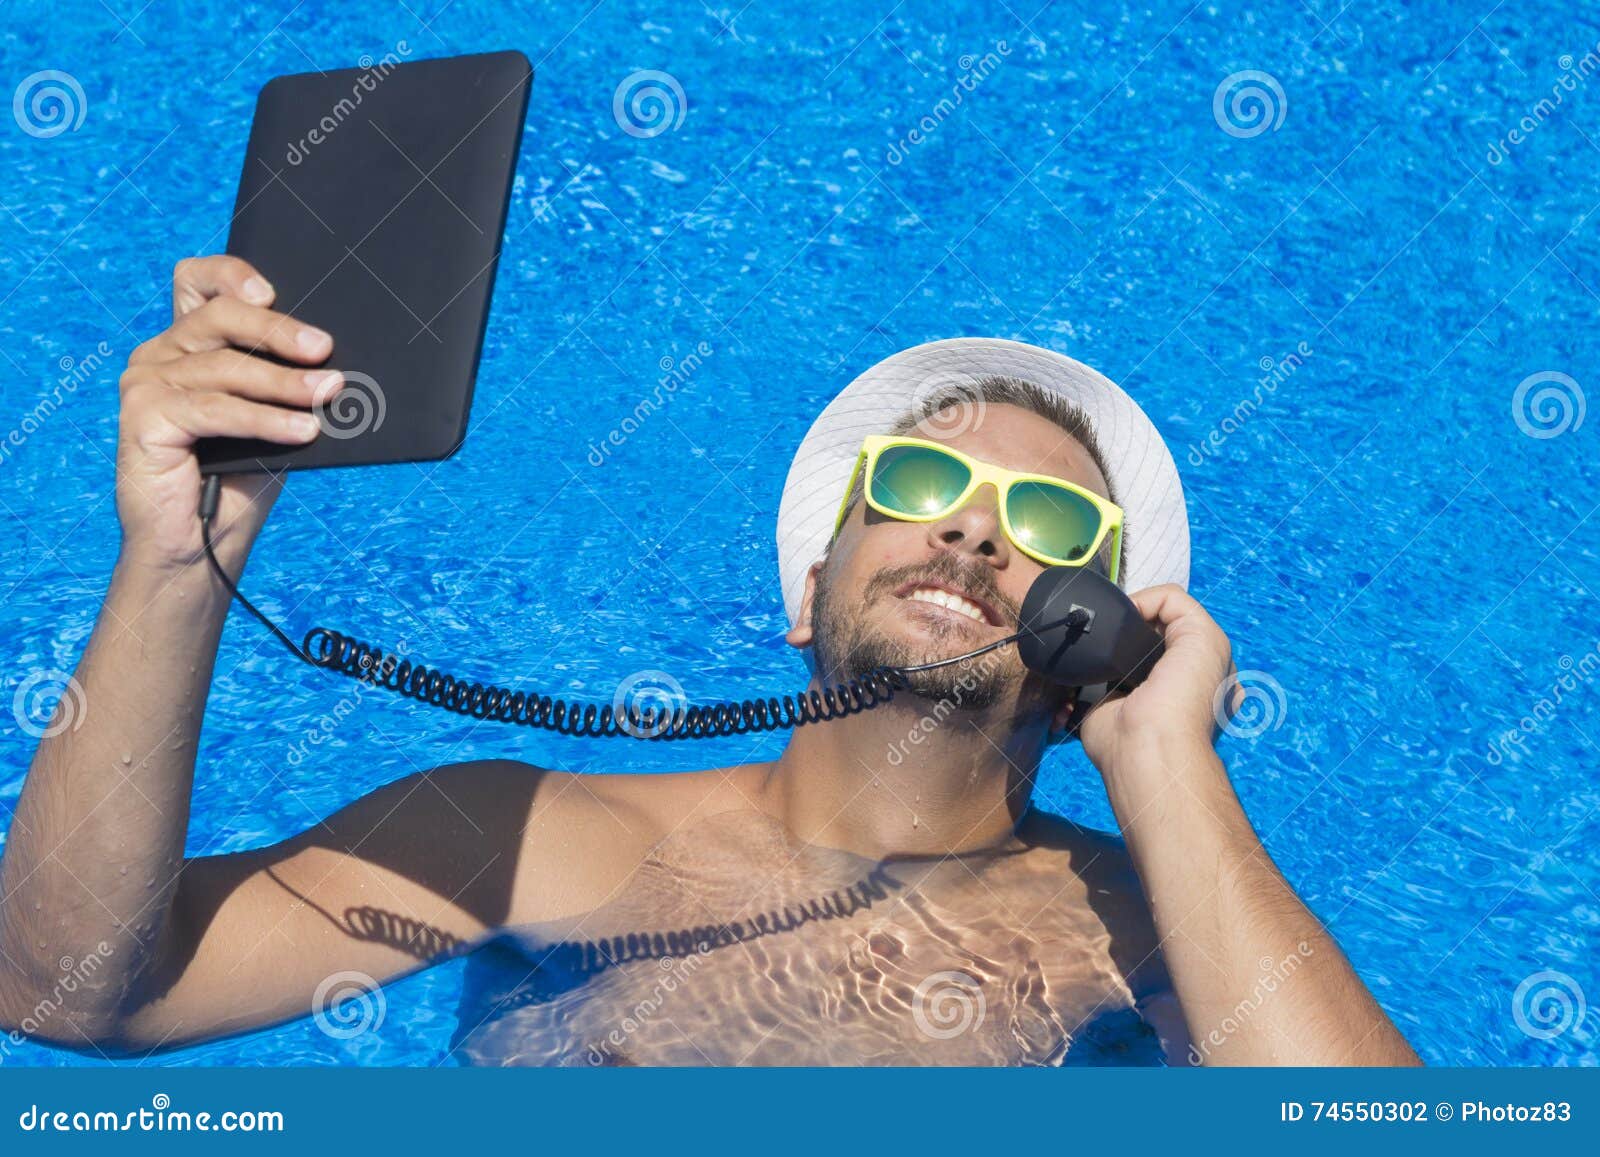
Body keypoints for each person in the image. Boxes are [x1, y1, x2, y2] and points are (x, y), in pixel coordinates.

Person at [0, 256, 1419, 1066]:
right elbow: (65, 990)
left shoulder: (1147, 933)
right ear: (809, 586)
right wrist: (179, 558)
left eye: (1051, 526)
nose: (976, 530)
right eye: (919, 484)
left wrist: (1167, 767)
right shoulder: (525, 835)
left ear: (1086, 640)